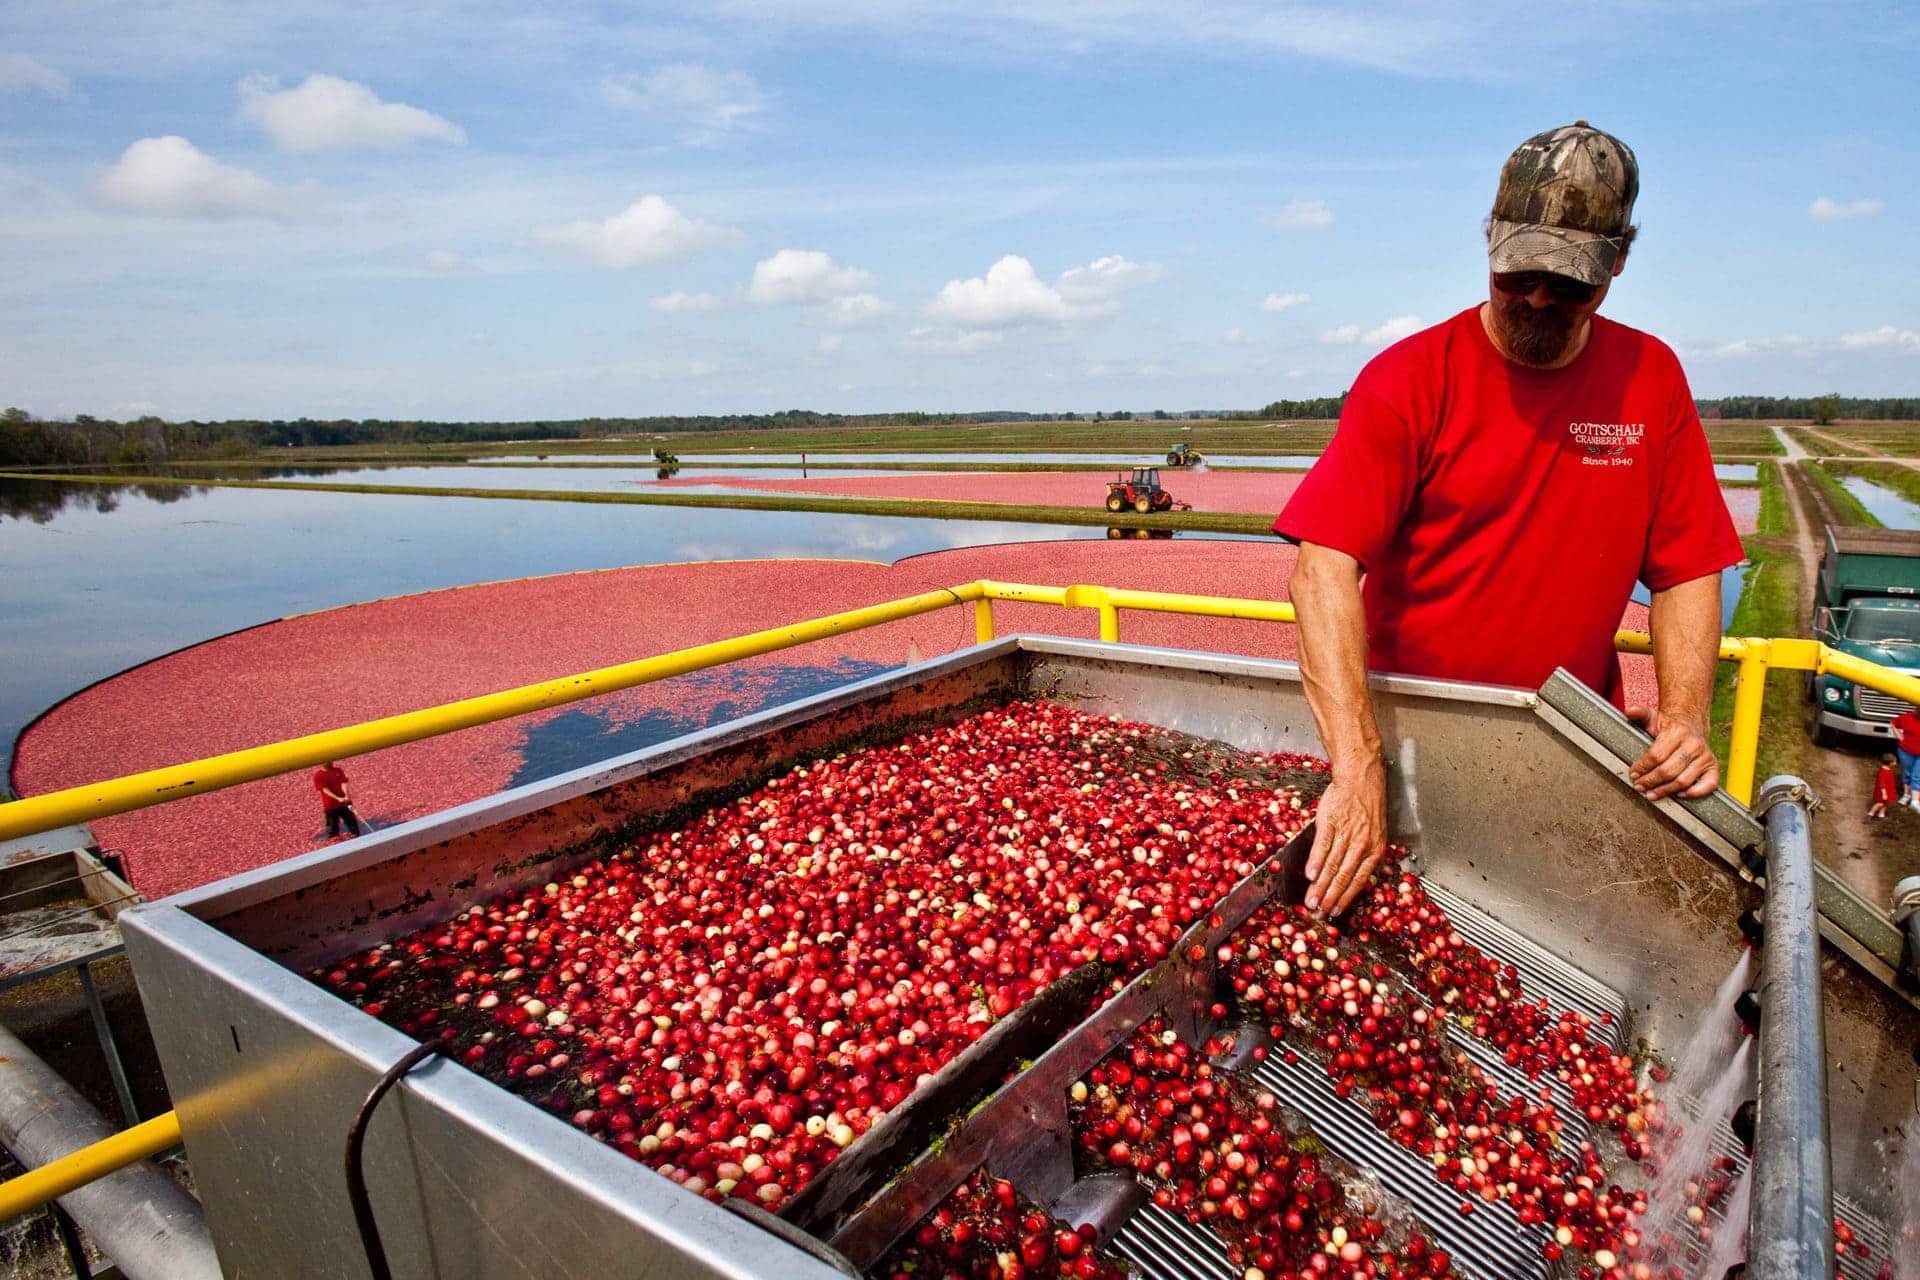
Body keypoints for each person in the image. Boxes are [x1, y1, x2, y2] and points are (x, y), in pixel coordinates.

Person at [1274, 122, 1744, 916]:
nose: (1536, 298)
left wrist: (1687, 717)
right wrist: (1357, 768)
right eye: (1518, 272)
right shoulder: (1409, 380)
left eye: (1568, 284)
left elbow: (1689, 566)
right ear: (1489, 241)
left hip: (1565, 744)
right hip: (1415, 740)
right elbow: (1322, 566)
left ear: (1618, 261)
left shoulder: (1650, 378)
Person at [312, 759, 361, 839]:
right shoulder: (318, 775)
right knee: (333, 829)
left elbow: (344, 782)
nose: (329, 762)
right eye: (326, 761)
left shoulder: (338, 770)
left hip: (344, 803)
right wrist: (337, 798)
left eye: (330, 760)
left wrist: (346, 795)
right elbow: (324, 789)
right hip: (330, 806)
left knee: (353, 825)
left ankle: (357, 838)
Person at [1892, 707, 1920, 809]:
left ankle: (1915, 801)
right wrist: (1900, 737)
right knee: (1907, 773)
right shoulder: (1907, 717)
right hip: (1906, 751)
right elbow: (1894, 723)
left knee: (1917, 775)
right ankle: (1906, 795)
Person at [1871, 754, 1900, 820]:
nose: (1896, 763)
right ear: (1890, 763)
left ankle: (1881, 814)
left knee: (1885, 803)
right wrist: (1884, 794)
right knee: (1879, 804)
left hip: (1888, 790)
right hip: (1882, 792)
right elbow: (1882, 784)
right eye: (1895, 762)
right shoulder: (1883, 772)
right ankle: (1871, 814)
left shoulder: (1888, 770)